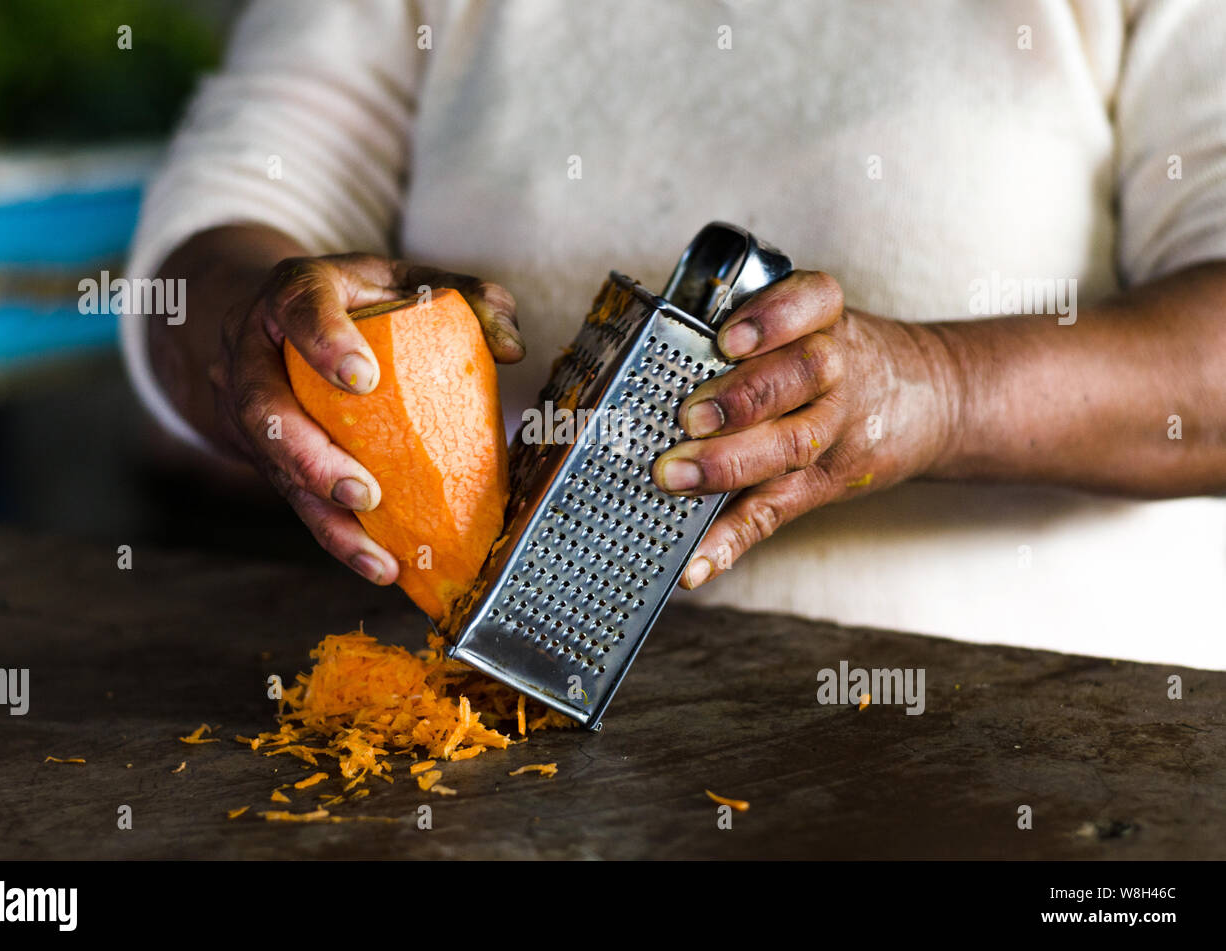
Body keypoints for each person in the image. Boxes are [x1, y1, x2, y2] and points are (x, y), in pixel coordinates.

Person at [123, 0, 1226, 668]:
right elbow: (219, 225)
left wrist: (935, 390)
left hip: (1042, 750)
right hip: (497, 742)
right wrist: (251, 330)